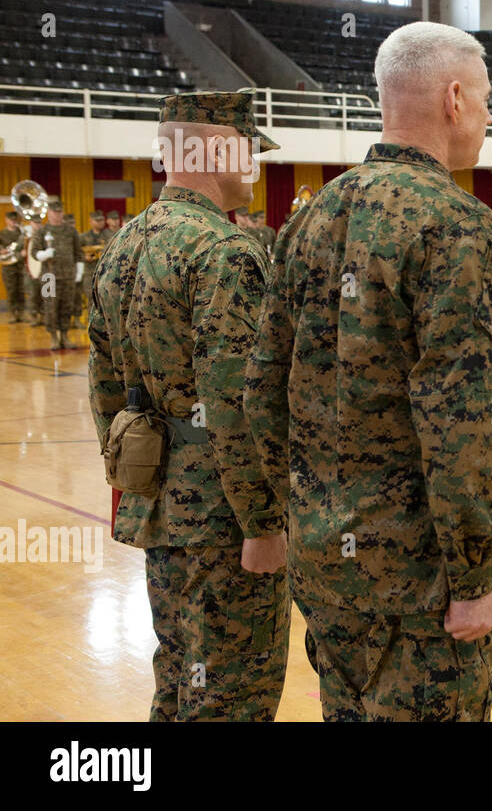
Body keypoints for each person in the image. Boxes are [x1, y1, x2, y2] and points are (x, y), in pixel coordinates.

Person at [244, 22, 492, 722]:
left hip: (324, 564)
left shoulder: (309, 220)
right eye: (484, 101)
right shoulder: (457, 226)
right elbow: (462, 426)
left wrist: (297, 514)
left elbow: (261, 389)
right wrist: (478, 572)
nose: (486, 118)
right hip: (420, 581)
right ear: (454, 99)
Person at [87, 90, 289, 720]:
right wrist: (262, 521)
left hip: (160, 505)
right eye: (249, 147)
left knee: (179, 678)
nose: (255, 161)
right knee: (231, 696)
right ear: (217, 149)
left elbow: (103, 388)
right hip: (223, 519)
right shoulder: (223, 252)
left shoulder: (123, 244)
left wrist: (139, 478)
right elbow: (237, 405)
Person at [31, 199, 84, 350]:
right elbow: (34, 253)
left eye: (60, 212)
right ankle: (54, 336)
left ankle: (65, 335)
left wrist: (79, 271)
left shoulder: (71, 231)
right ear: (49, 213)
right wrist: (44, 254)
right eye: (54, 212)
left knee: (67, 306)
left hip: (67, 275)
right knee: (50, 307)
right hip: (49, 276)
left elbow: (78, 253)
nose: (57, 215)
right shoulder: (42, 231)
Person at [1, 210, 26, 323]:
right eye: (11, 220)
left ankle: (21, 313)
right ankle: (12, 313)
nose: (13, 222)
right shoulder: (2, 234)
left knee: (21, 290)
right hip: (8, 266)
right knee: (11, 291)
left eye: (15, 220)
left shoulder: (22, 234)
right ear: (6, 220)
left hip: (20, 265)